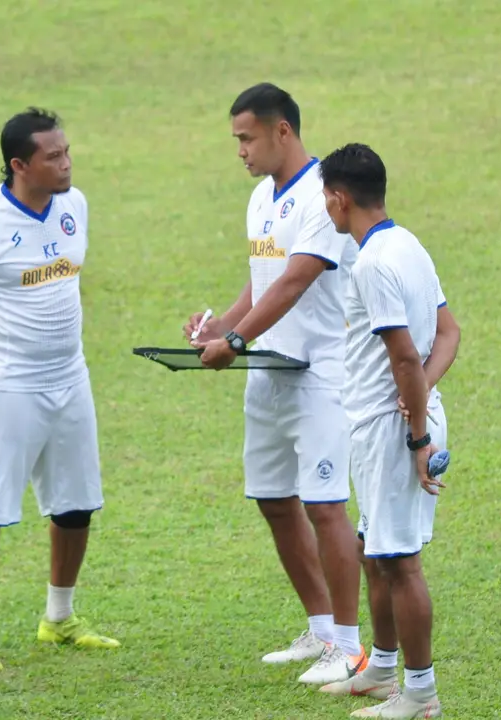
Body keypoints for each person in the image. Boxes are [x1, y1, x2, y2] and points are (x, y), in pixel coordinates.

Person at [185, 83, 365, 686]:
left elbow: (297, 279)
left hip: (321, 374)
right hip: (267, 372)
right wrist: (220, 327)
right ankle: (321, 629)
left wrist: (234, 342)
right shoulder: (261, 197)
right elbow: (262, 280)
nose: (240, 150)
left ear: (281, 130)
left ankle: (350, 646)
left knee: (325, 505)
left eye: (246, 138)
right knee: (273, 499)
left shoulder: (323, 196)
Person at [0, 108, 119, 675]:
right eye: (53, 156)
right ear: (19, 165)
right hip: (5, 383)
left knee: (76, 504)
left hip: (70, 375)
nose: (66, 164)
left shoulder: (73, 205)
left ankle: (59, 617)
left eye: (67, 152)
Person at [315, 142, 454, 719]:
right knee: (373, 552)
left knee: (400, 562)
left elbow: (403, 356)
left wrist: (417, 435)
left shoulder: (372, 263)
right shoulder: (408, 244)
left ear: (339, 199)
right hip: (401, 418)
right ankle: (380, 669)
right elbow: (449, 334)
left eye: (326, 199)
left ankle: (420, 695)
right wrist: (421, 389)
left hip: (393, 432)